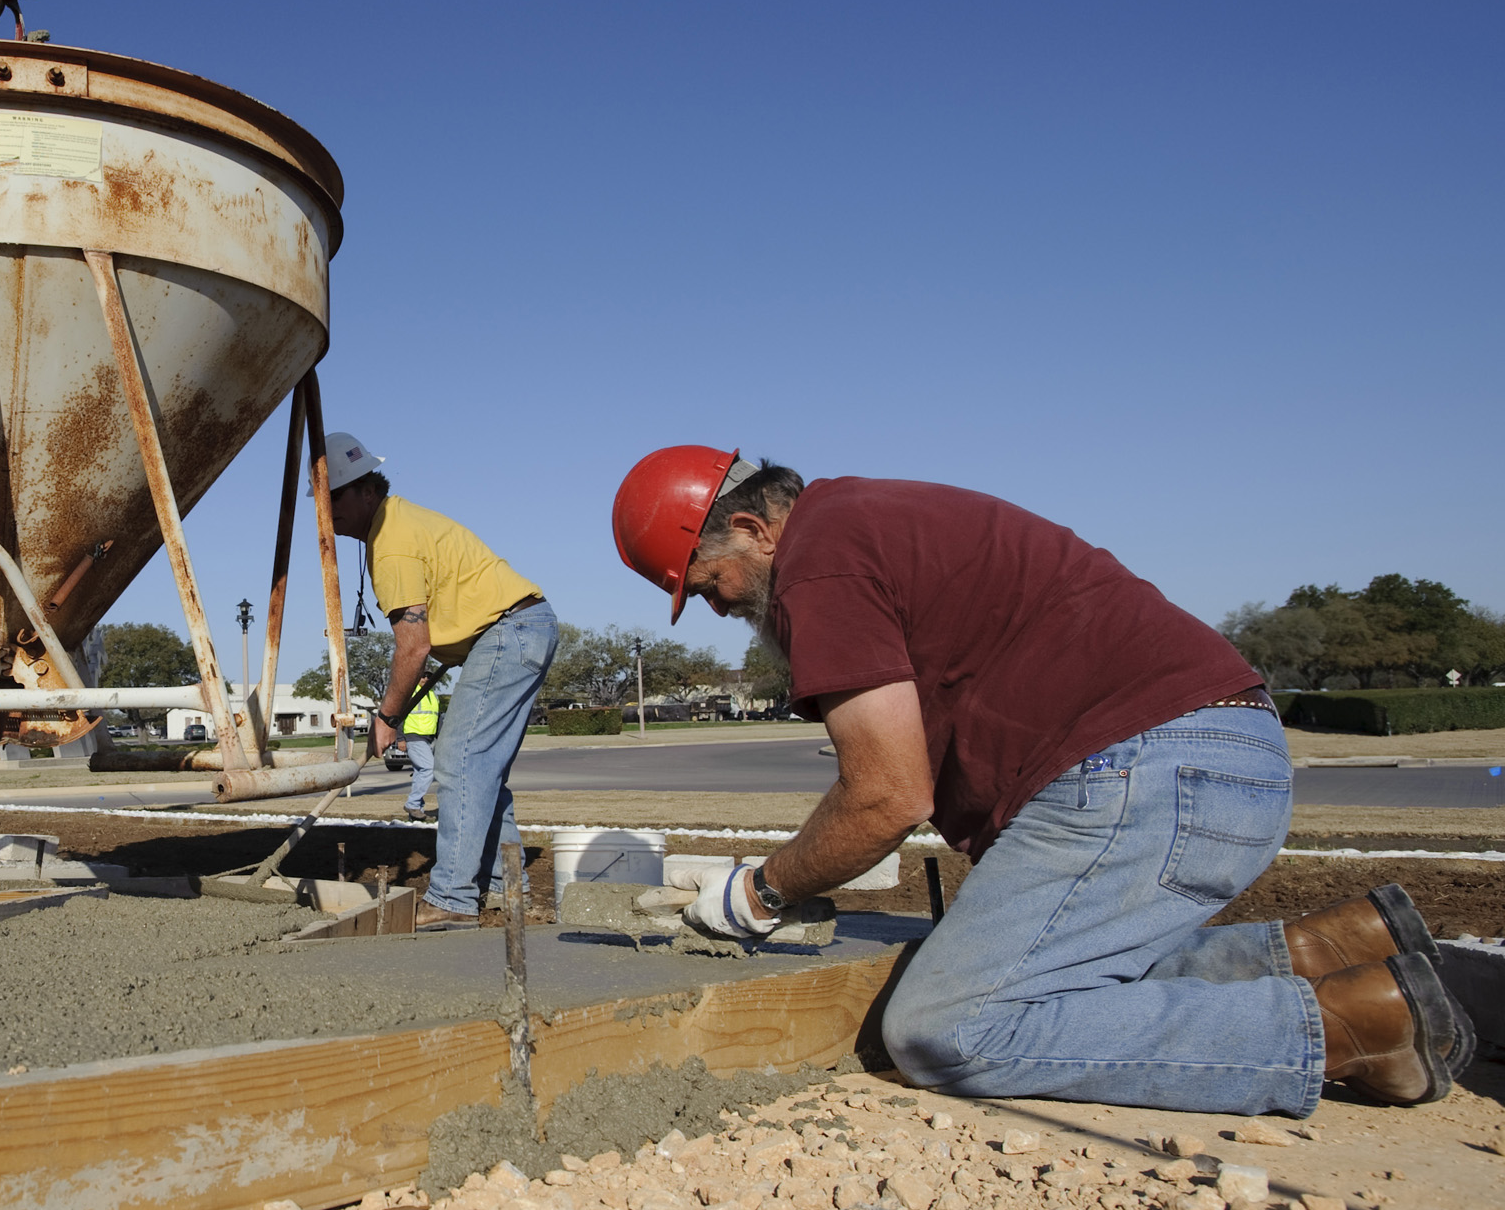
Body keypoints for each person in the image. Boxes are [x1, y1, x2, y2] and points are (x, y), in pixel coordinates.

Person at [611, 446, 1473, 1114]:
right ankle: (1326, 952)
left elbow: (884, 797)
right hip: (1210, 759)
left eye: (709, 585)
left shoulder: (822, 563)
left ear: (757, 530)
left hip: (1145, 773)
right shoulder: (873, 516)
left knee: (946, 1030)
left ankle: (1348, 1027)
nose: (721, 609)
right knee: (1058, 967)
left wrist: (755, 892)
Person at [326, 433, 556, 928]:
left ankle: (452, 899)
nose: (328, 510)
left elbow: (413, 645)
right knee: (482, 768)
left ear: (368, 489)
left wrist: (388, 716)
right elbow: (435, 634)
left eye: (336, 496)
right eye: (321, 501)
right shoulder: (400, 523)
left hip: (508, 632)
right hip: (516, 629)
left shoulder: (390, 544)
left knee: (460, 761)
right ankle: (502, 886)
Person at [399, 686, 441, 821]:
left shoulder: (433, 695)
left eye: (429, 676)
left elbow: (437, 718)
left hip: (429, 739)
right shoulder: (410, 693)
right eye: (423, 675)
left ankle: (416, 814)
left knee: (420, 773)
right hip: (414, 736)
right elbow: (399, 717)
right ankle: (412, 804)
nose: (426, 679)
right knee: (428, 768)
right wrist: (400, 738)